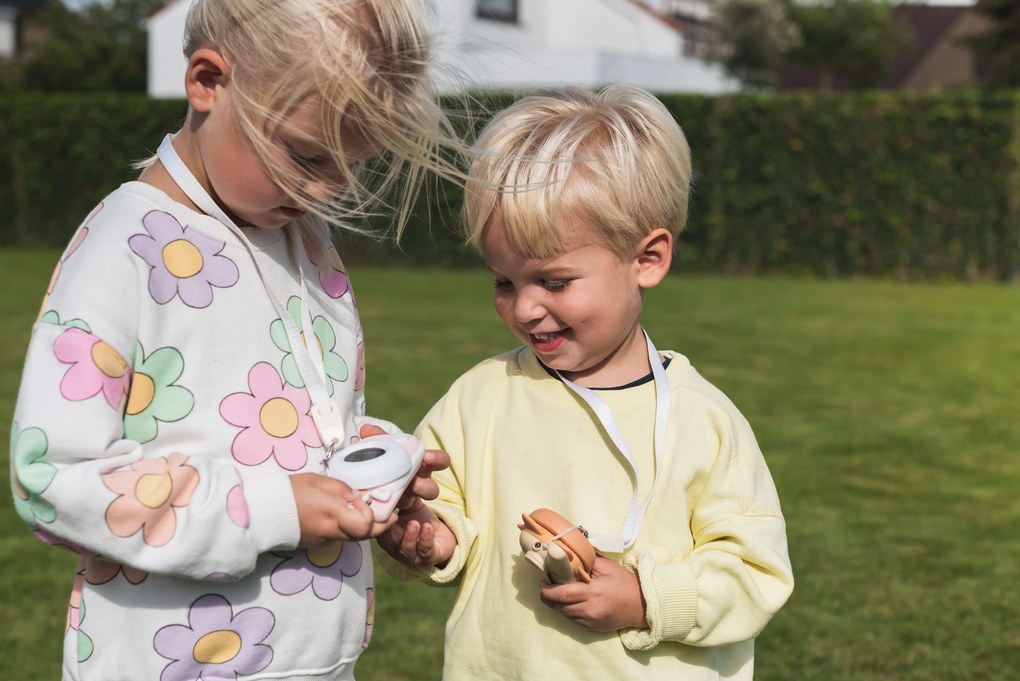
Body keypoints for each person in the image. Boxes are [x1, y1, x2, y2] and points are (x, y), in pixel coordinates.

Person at [8, 1, 460, 679]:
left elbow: (297, 421)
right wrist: (273, 509)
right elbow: (53, 477)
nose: (325, 189)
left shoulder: (303, 239)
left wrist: (371, 465)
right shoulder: (124, 249)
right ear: (209, 82)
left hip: (313, 661)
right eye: (307, 155)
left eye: (350, 164)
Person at [375, 86, 794, 680]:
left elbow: (756, 573)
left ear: (647, 259)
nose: (525, 309)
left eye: (554, 281)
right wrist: (427, 537)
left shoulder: (704, 420)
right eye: (503, 282)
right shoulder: (480, 396)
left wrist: (648, 600)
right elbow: (442, 507)